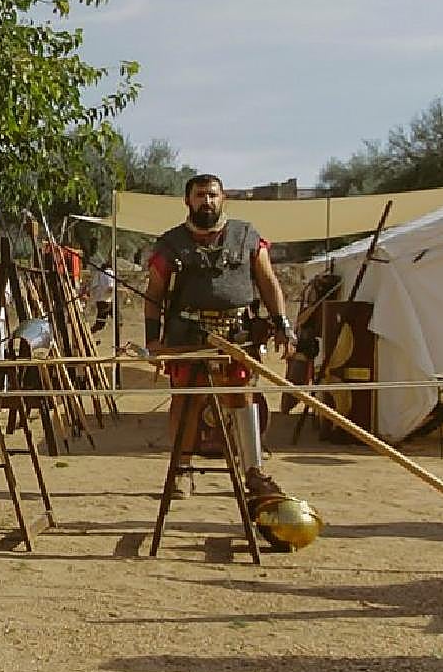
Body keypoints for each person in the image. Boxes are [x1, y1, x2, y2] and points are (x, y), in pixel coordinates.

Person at [144, 173, 295, 505]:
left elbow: (268, 282)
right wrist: (152, 341)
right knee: (186, 400)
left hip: (238, 334)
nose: (206, 201)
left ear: (223, 198)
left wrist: (282, 323)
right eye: (200, 195)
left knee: (242, 398)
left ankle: (253, 470)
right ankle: (181, 469)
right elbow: (154, 293)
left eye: (212, 195)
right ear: (188, 201)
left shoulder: (246, 236)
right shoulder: (171, 243)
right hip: (187, 335)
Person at [82, 260, 116, 335]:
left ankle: (89, 333)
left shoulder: (99, 274)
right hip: (106, 300)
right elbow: (110, 287)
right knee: (101, 323)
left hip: (101, 300)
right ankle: (88, 334)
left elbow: (94, 287)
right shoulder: (109, 273)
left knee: (116, 318)